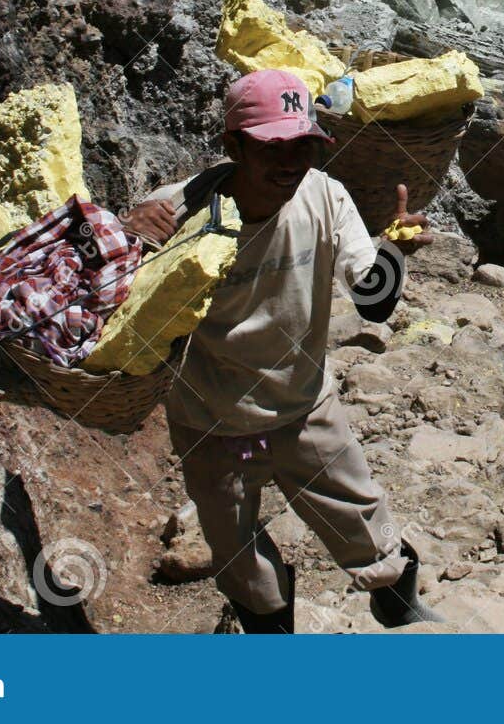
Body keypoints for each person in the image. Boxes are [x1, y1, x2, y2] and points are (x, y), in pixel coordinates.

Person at [121, 69, 443, 634]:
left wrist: (394, 248)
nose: (291, 161)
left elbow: (372, 302)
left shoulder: (323, 195)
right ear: (232, 147)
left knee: (372, 538)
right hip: (210, 422)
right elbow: (112, 307)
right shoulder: (177, 213)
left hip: (303, 408)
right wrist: (122, 239)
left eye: (304, 145)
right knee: (242, 565)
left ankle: (406, 617)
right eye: (273, 146)